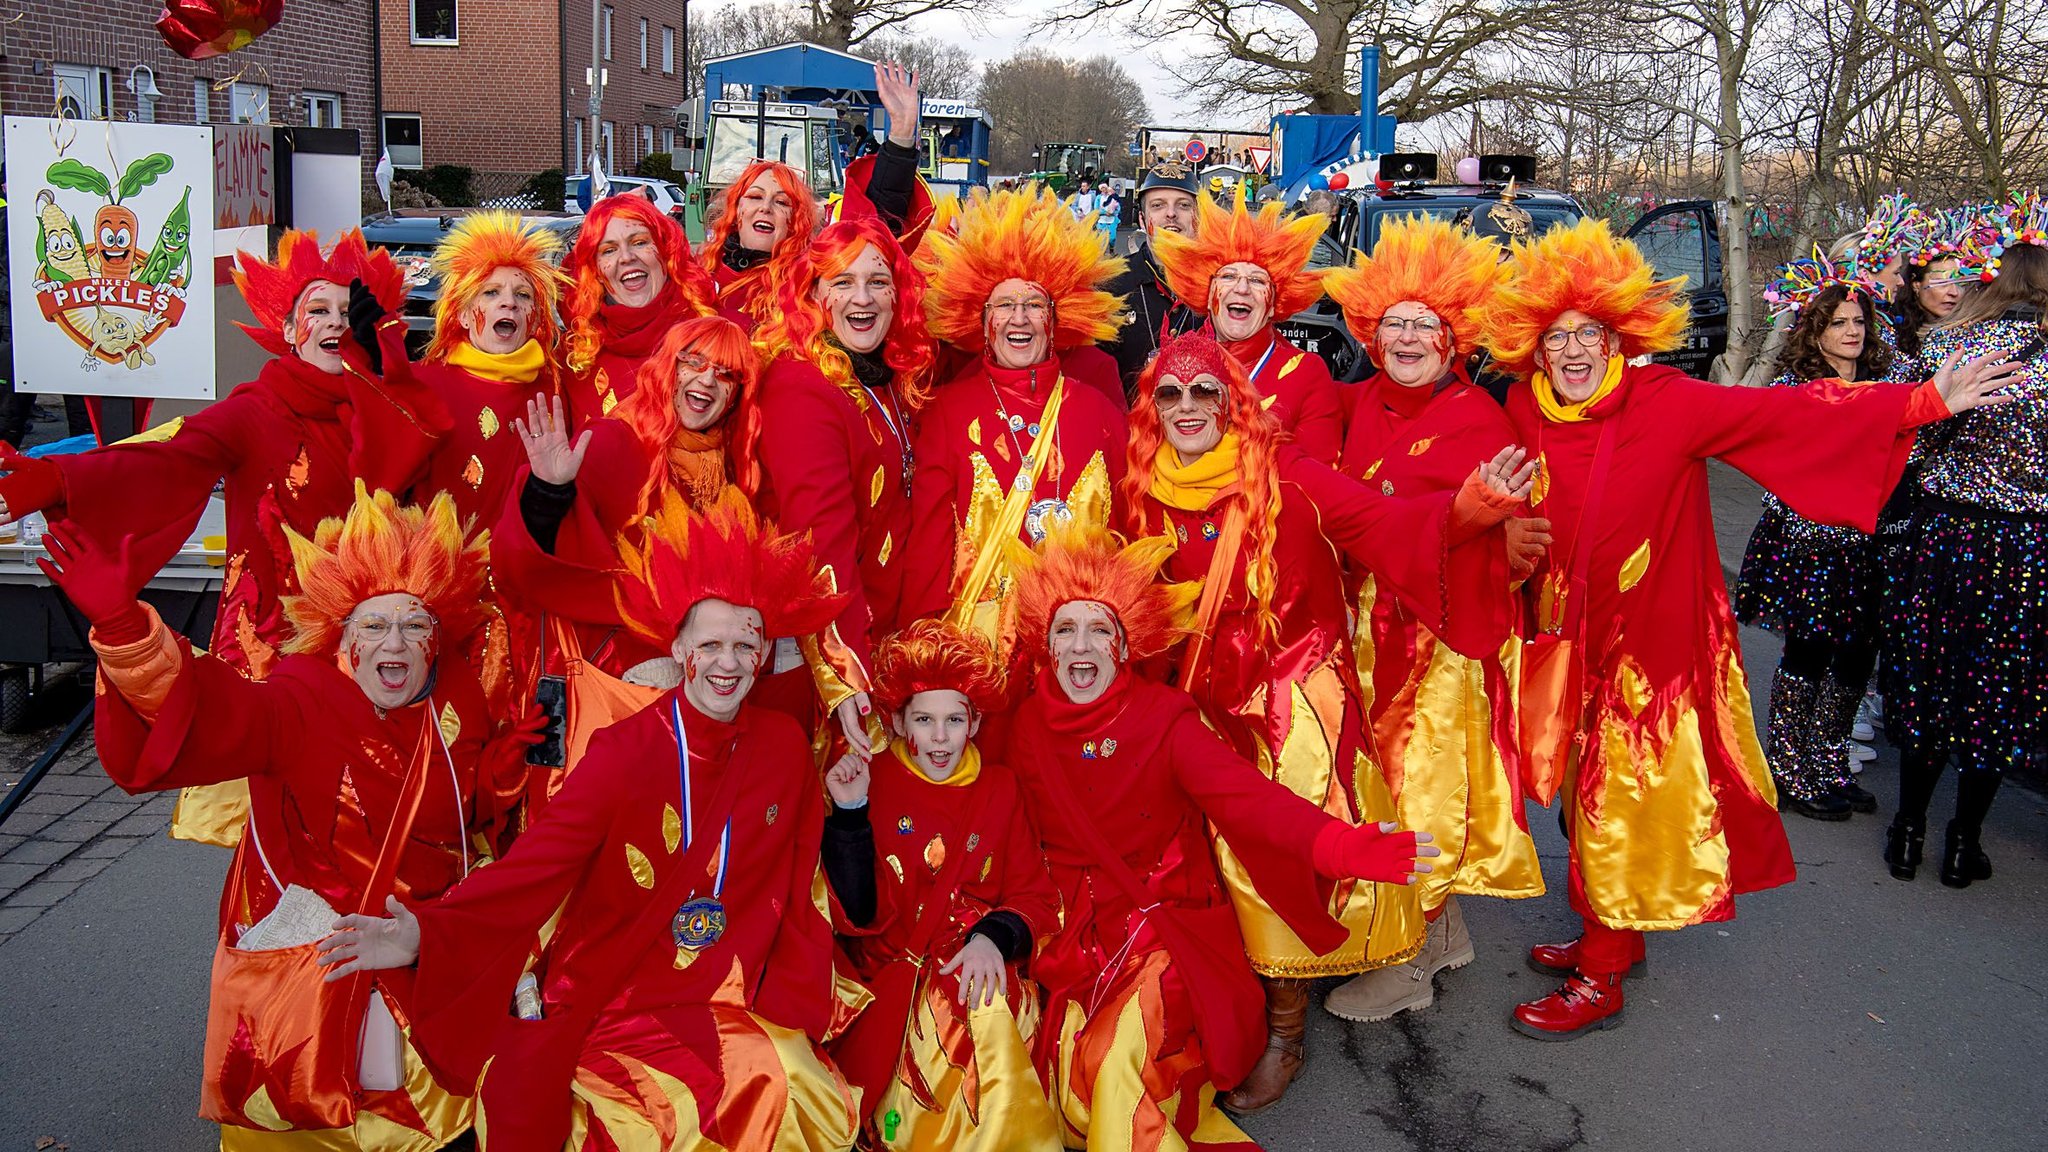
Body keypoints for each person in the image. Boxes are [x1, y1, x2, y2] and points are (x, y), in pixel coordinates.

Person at [1479, 218, 2014, 1040]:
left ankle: (1603, 972)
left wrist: (1926, 399)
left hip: (1649, 654)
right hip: (1559, 641)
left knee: (1614, 801)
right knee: (1576, 794)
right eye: (1557, 339)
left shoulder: (1669, 401)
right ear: (1535, 350)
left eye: (1591, 334)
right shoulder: (1522, 405)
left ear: (1621, 336)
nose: (1575, 352)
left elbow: (1790, 417)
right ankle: (1607, 927)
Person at [318, 498, 861, 1150]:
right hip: (621, 997)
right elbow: (534, 867)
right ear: (680, 646)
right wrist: (427, 937)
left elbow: (800, 885)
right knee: (703, 1100)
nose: (727, 662)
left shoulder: (782, 747)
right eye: (710, 643)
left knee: (794, 1081)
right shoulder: (623, 748)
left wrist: (795, 1004)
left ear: (764, 652)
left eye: (745, 645)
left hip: (729, 994)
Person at [38, 485, 523, 1150]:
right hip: (315, 996)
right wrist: (126, 629)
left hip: (429, 976)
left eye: (415, 625)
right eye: (374, 624)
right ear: (340, 637)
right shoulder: (299, 706)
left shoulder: (457, 705)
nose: (397, 641)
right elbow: (212, 715)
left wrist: (503, 776)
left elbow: (468, 820)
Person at [1121, 332, 1528, 1112]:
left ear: (1234, 403)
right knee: (1200, 861)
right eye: (1169, 395)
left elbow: (1382, 525)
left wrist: (1467, 510)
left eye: (1205, 392)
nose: (1187, 409)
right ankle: (1225, 1001)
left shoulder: (1290, 475)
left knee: (1271, 857)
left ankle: (1285, 1034)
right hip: (1197, 703)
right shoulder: (1140, 486)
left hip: (1291, 697)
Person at [1004, 523, 1439, 1150]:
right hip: (1073, 940)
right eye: (1066, 630)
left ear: (1126, 646)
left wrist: (1348, 848)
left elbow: (1254, 802)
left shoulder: (1164, 720)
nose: (1083, 646)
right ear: (1046, 644)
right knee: (1064, 1086)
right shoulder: (1025, 726)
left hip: (1163, 932)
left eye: (1101, 630)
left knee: (1115, 1071)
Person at [0, 229, 434, 845]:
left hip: (383, 647)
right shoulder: (255, 409)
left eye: (349, 311)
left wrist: (383, 368)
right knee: (282, 827)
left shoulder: (398, 408)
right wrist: (56, 479)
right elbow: (169, 455)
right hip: (276, 648)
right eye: (318, 310)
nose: (335, 323)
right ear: (287, 330)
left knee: (378, 822)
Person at [1315, 215, 1547, 1023]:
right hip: (1370, 630)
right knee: (1381, 784)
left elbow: (1487, 533)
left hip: (1435, 640)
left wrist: (1469, 516)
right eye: (1394, 323)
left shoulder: (1480, 421)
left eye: (1427, 325)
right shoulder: (1360, 401)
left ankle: (1407, 959)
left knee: (1420, 791)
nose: (1408, 337)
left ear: (1456, 341)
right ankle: (1442, 929)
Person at [821, 619, 1063, 1150]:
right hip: (899, 975)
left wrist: (991, 939)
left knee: (989, 1002)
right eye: (923, 719)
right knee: (958, 1015)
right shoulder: (874, 776)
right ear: (899, 719)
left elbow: (1034, 896)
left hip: (978, 960)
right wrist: (851, 814)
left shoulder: (1000, 788)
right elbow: (857, 916)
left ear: (975, 722)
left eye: (954, 720)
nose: (938, 737)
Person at [1884, 206, 2048, 888]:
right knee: (1994, 689)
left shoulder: (1945, 347)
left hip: (1944, 535)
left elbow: (1905, 431)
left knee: (1930, 679)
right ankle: (1962, 843)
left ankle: (1907, 830)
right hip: (2021, 548)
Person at [906, 186, 1132, 648]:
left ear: (1057, 320)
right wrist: (923, 641)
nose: (1019, 318)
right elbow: (929, 540)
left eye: (1034, 305)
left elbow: (1128, 533)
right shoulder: (948, 411)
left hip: (1076, 652)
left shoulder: (1100, 411)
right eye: (1004, 305)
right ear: (980, 319)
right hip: (978, 644)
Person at [755, 219, 937, 755]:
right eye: (842, 281)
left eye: (878, 282)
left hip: (883, 639)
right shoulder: (802, 387)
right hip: (827, 658)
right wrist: (848, 675)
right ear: (813, 294)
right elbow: (821, 545)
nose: (863, 298)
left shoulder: (878, 374)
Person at [1737, 252, 1904, 821]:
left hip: (1870, 541)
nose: (1852, 332)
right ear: (1815, 330)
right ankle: (1788, 769)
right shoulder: (1794, 387)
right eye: (1838, 323)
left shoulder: (1886, 381)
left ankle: (1829, 763)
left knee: (1858, 658)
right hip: (1809, 542)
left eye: (1858, 321)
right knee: (1808, 654)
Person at [701, 63, 933, 321]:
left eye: (782, 202)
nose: (765, 207)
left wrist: (901, 136)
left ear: (795, 219)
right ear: (737, 210)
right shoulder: (696, 277)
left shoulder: (810, 281)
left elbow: (873, 229)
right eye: (755, 197)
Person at [1152, 189, 1344, 461]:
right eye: (1228, 276)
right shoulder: (1174, 362)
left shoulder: (1307, 374)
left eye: (1257, 280)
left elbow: (1316, 476)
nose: (1242, 288)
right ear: (1206, 295)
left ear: (1273, 305)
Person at [558, 194, 714, 430]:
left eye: (640, 242)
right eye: (608, 250)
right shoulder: (575, 354)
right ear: (596, 271)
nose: (627, 258)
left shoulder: (712, 333)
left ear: (665, 251)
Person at [1099, 159, 1207, 399]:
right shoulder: (1113, 282)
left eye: (1183, 205)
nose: (1171, 214)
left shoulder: (1220, 283)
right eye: (1158, 206)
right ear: (1141, 219)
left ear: (1199, 218)